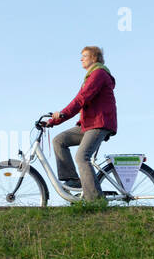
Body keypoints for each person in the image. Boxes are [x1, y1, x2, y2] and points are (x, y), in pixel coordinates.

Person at [45, 46, 117, 200]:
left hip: (99, 123)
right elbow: (81, 103)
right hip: (88, 124)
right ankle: (74, 181)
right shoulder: (90, 76)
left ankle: (95, 200)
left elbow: (81, 100)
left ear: (94, 58)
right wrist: (52, 121)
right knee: (59, 141)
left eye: (84, 55)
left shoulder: (99, 74)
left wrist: (60, 116)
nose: (81, 58)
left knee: (82, 157)